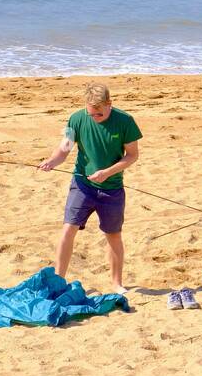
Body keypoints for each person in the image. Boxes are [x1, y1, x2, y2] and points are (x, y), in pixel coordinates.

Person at [39, 83, 142, 293]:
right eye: (91, 113)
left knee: (113, 234)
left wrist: (107, 172)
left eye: (99, 114)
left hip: (111, 188)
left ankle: (116, 283)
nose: (94, 117)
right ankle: (59, 281)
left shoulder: (125, 121)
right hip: (82, 184)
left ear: (109, 105)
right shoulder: (76, 118)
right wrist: (52, 162)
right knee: (68, 229)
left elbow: (132, 155)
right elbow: (65, 148)